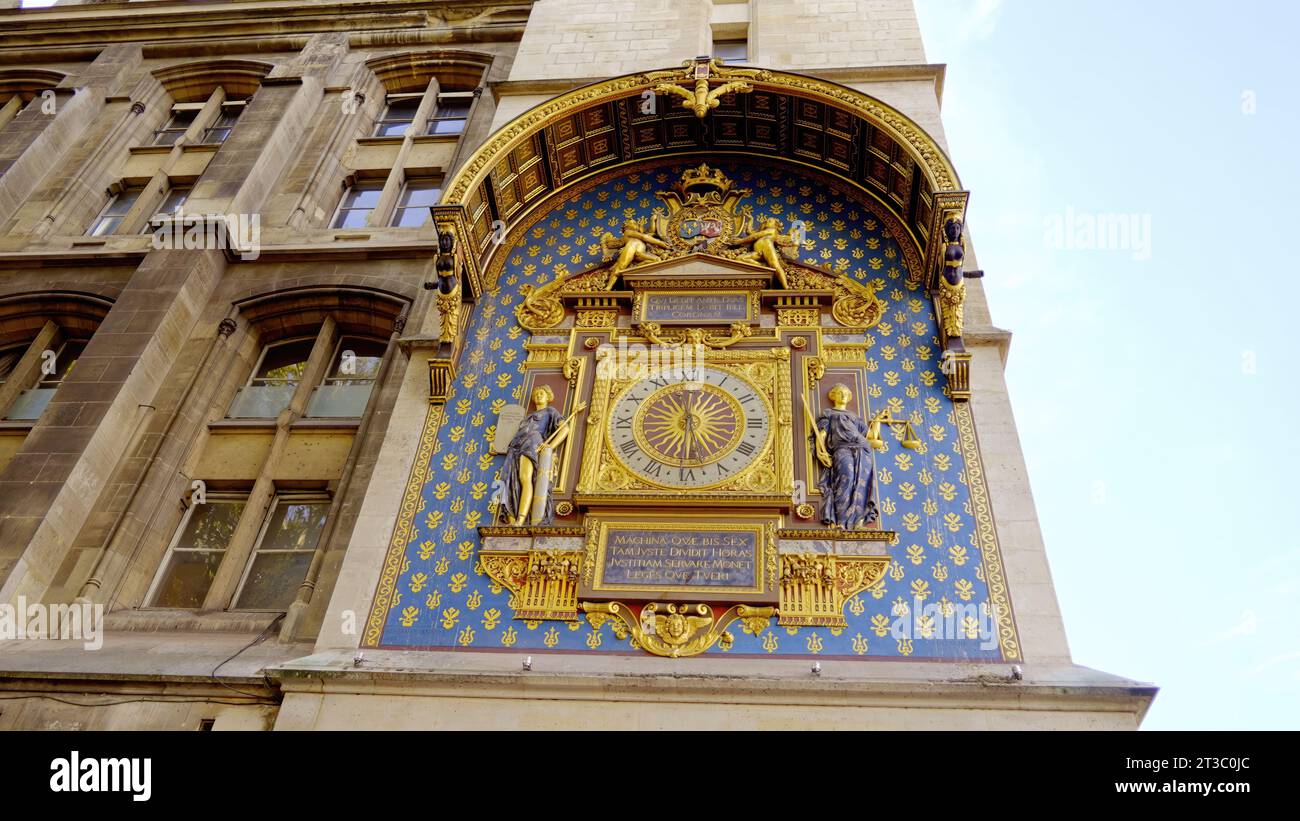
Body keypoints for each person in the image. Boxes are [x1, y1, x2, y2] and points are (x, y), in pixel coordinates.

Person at [501, 385, 585, 526]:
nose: (539, 395)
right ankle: (513, 516)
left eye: (542, 393)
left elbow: (565, 428)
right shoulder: (527, 417)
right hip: (516, 448)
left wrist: (550, 446)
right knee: (511, 481)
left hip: (532, 443)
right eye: (537, 394)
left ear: (548, 397)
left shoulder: (550, 411)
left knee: (525, 478)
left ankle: (520, 520)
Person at [809, 383, 879, 530]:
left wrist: (877, 421)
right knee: (845, 479)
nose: (843, 395)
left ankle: (858, 521)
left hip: (863, 449)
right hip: (842, 449)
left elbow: (871, 436)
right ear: (833, 395)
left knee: (861, 484)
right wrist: (820, 451)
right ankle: (842, 521)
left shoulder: (855, 418)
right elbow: (822, 434)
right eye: (840, 392)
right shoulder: (829, 414)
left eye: (846, 393)